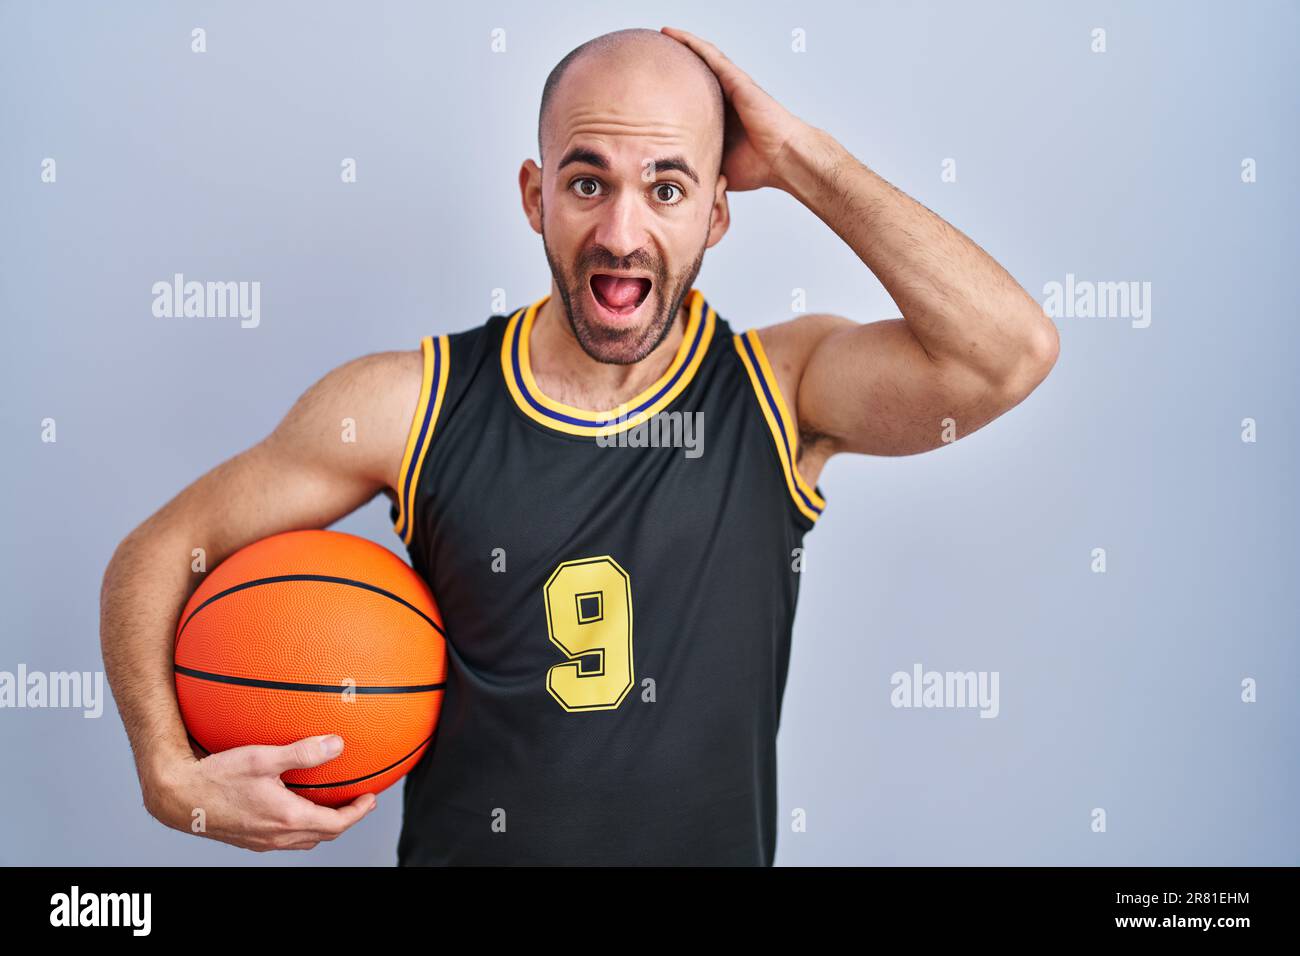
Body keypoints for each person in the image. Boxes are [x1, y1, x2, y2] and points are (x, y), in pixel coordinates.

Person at [100, 26, 1058, 864]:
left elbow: (1005, 355)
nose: (621, 230)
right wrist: (164, 771)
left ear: (720, 212)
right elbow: (157, 550)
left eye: (669, 187)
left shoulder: (780, 389)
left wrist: (804, 156)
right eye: (588, 181)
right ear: (535, 196)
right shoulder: (410, 402)